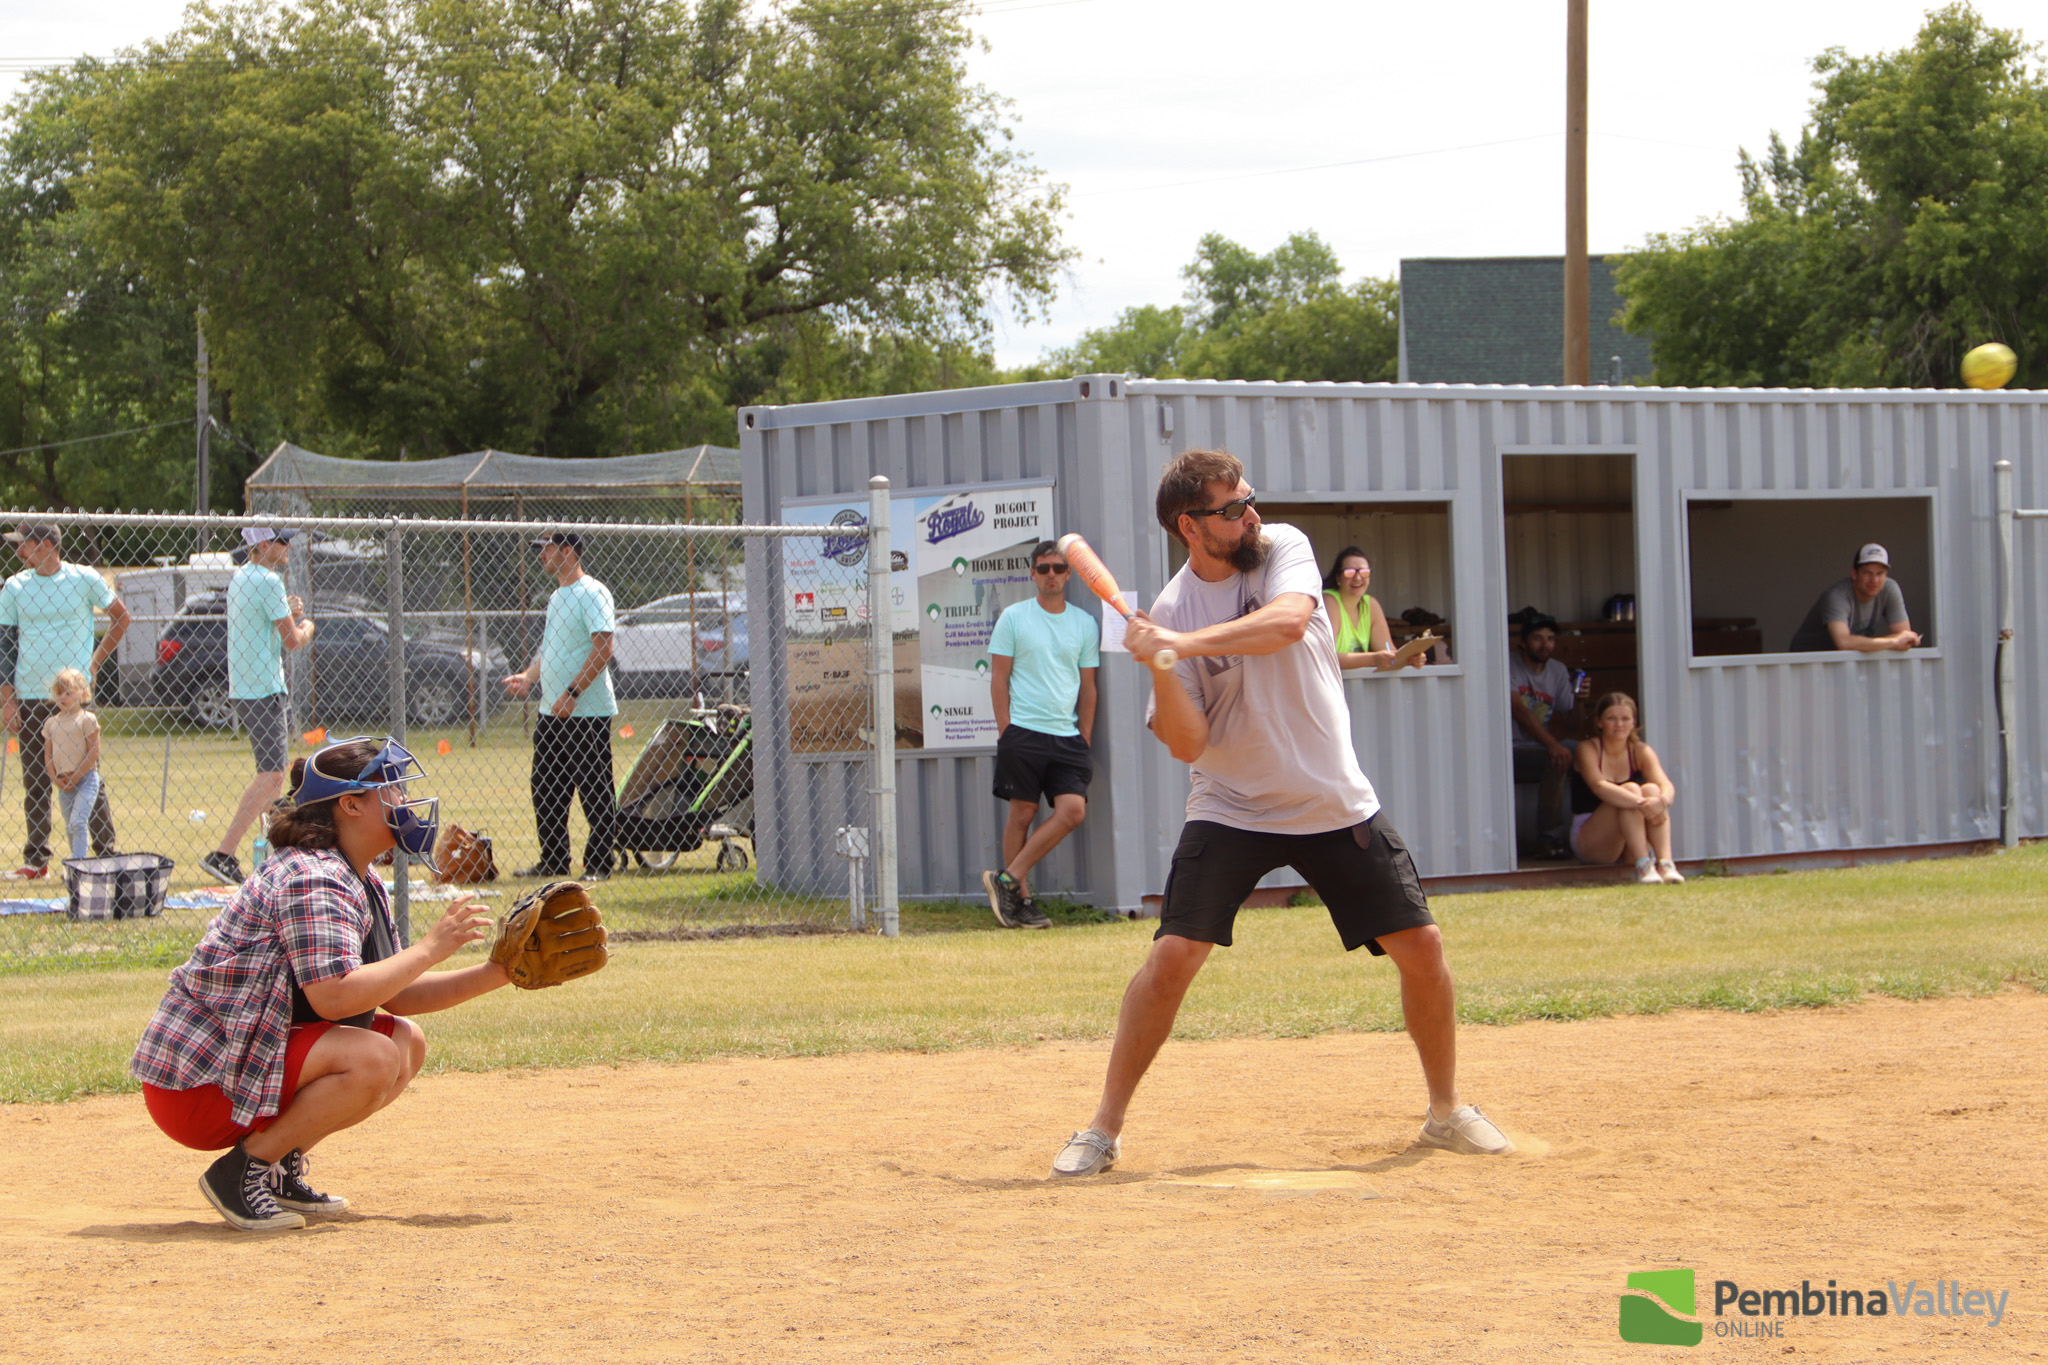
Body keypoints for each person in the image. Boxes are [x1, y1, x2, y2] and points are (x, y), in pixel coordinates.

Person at [1049, 448, 1514, 1179]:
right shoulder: (1171, 611)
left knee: (1421, 945)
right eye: (1232, 509)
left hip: (1330, 795)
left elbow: (1290, 623)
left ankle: (1446, 1110)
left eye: (1249, 499)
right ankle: (1103, 1128)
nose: (1251, 515)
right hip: (1232, 803)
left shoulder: (1283, 551)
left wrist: (1182, 643)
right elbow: (1187, 741)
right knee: (1171, 956)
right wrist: (1163, 664)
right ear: (1190, 527)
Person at [130, 735, 507, 1231]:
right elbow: (333, 997)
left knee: (403, 1042)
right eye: (391, 791)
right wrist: (429, 948)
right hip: (200, 1084)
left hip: (243, 1065)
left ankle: (277, 1167)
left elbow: (395, 995)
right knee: (373, 1056)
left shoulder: (355, 875)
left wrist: (499, 973)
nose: (406, 802)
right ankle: (240, 1172)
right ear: (350, 805)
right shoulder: (314, 876)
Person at [982, 540, 1100, 930]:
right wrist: (1006, 731)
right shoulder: (1014, 618)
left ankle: (1006, 880)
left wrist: (1083, 737)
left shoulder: (1084, 623)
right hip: (1023, 733)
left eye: (1059, 568)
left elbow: (1089, 688)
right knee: (1024, 813)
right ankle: (1022, 903)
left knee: (1072, 811)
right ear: (1032, 574)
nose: (1052, 574)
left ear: (1069, 575)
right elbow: (998, 679)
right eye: (1044, 568)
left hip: (1067, 738)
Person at [0, 523, 128, 876]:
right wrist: (7, 699)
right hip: (29, 696)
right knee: (36, 778)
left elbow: (121, 616)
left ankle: (105, 853)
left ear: (45, 545)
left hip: (75, 698)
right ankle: (36, 858)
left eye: (22, 544)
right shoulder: (14, 587)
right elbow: (5, 646)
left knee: (88, 774)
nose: (17, 551)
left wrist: (95, 661)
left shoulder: (84, 578)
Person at [203, 528, 318, 885]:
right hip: (264, 688)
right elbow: (293, 641)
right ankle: (222, 854)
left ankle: (282, 854)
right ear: (265, 546)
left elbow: (265, 621)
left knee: (273, 781)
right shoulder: (268, 581)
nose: (289, 548)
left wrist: (288, 609)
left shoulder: (242, 576)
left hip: (245, 686)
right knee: (270, 776)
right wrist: (307, 623)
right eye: (283, 542)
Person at [503, 531, 617, 882]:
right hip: (552, 713)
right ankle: (554, 859)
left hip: (586, 711)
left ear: (567, 551)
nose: (542, 555)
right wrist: (528, 676)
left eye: (547, 549)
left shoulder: (593, 593)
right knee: (546, 787)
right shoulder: (556, 596)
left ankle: (598, 864)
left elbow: (604, 648)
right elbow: (551, 651)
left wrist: (572, 692)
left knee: (594, 789)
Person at [1569, 692, 1683, 885]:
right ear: (1599, 723)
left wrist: (1660, 801)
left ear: (1633, 723)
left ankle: (1665, 864)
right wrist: (1640, 803)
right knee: (1632, 790)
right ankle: (1644, 865)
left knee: (1653, 791)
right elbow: (1599, 787)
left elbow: (1667, 786)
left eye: (1625, 719)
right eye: (1611, 719)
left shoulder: (1641, 750)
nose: (1619, 725)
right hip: (1592, 839)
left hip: (1629, 838)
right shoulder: (1587, 749)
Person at [1508, 613, 1586, 859]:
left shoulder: (1558, 670)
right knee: (1554, 758)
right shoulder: (1509, 665)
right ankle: (1549, 840)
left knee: (1587, 753)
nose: (1545, 645)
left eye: (1550, 639)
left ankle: (1586, 834)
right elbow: (1519, 711)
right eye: (1537, 638)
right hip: (1511, 748)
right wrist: (1553, 745)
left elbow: (1573, 724)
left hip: (1542, 746)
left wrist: (1580, 700)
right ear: (1523, 642)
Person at [1787, 544, 1922, 653]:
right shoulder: (1837, 596)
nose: (1874, 580)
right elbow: (1844, 642)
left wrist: (1897, 641)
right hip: (1806, 662)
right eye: (1867, 573)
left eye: (1880, 574)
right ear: (1854, 574)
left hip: (1844, 661)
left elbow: (1905, 638)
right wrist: (1894, 642)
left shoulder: (1890, 589)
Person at [1320, 546, 1418, 671]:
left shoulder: (1370, 605)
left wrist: (1410, 659)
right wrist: (1374, 659)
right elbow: (1326, 657)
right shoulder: (1329, 601)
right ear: (1338, 578)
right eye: (1349, 572)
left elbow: (1389, 651)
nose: (1358, 578)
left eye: (1364, 572)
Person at [44, 668, 100, 862]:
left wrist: (76, 775)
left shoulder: (87, 719)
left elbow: (93, 753)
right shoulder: (51, 723)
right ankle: (76, 860)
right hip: (63, 781)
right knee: (70, 826)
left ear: (82, 693)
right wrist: (55, 778)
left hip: (85, 779)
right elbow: (48, 755)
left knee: (78, 821)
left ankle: (78, 863)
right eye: (59, 693)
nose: (64, 697)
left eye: (69, 692)